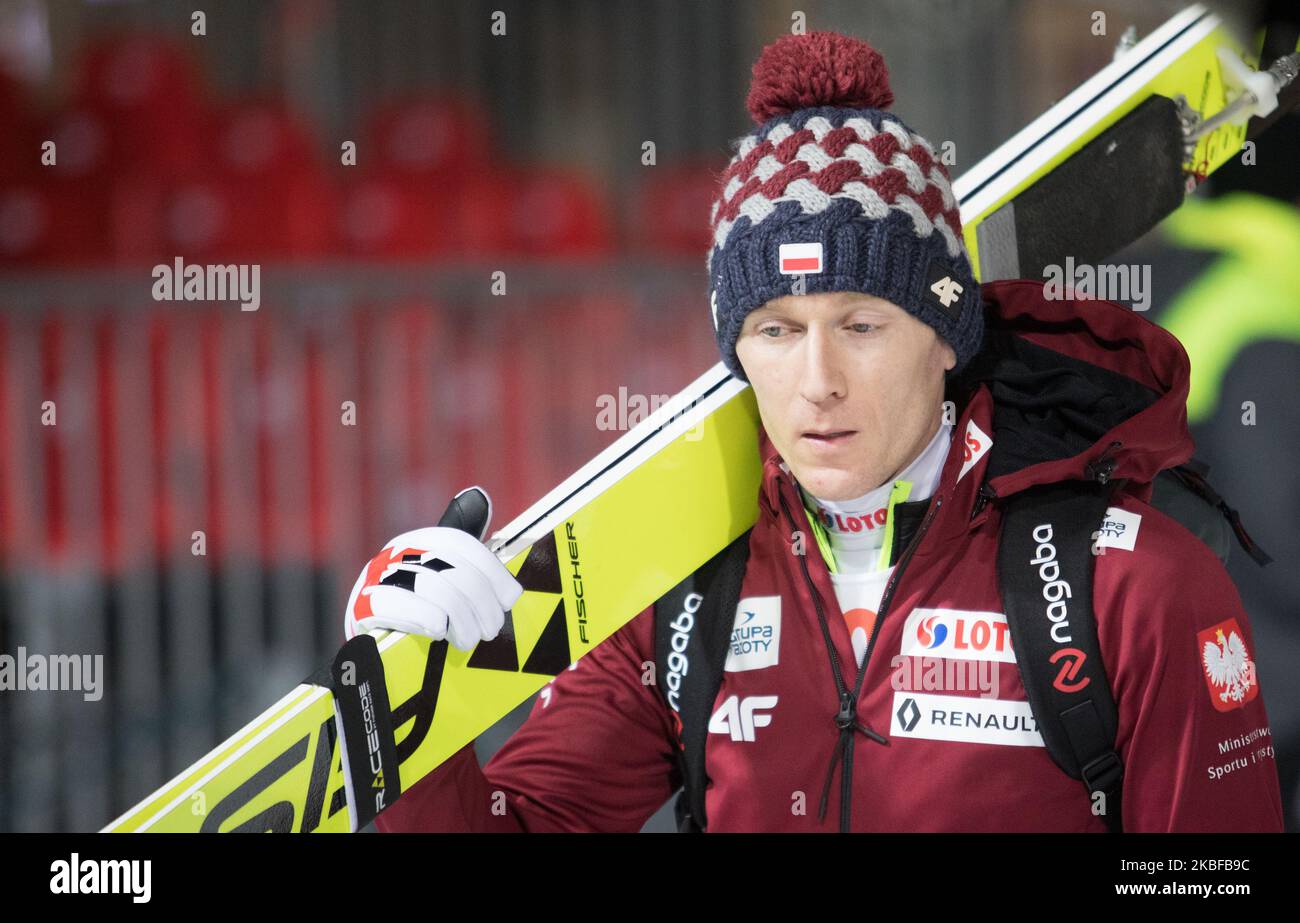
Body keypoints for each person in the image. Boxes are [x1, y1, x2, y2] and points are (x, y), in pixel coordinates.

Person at [347, 31, 1285, 832]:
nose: (818, 382)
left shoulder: (1134, 587)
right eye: (778, 331)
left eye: (863, 325)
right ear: (739, 354)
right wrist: (410, 695)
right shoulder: (683, 590)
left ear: (946, 340)